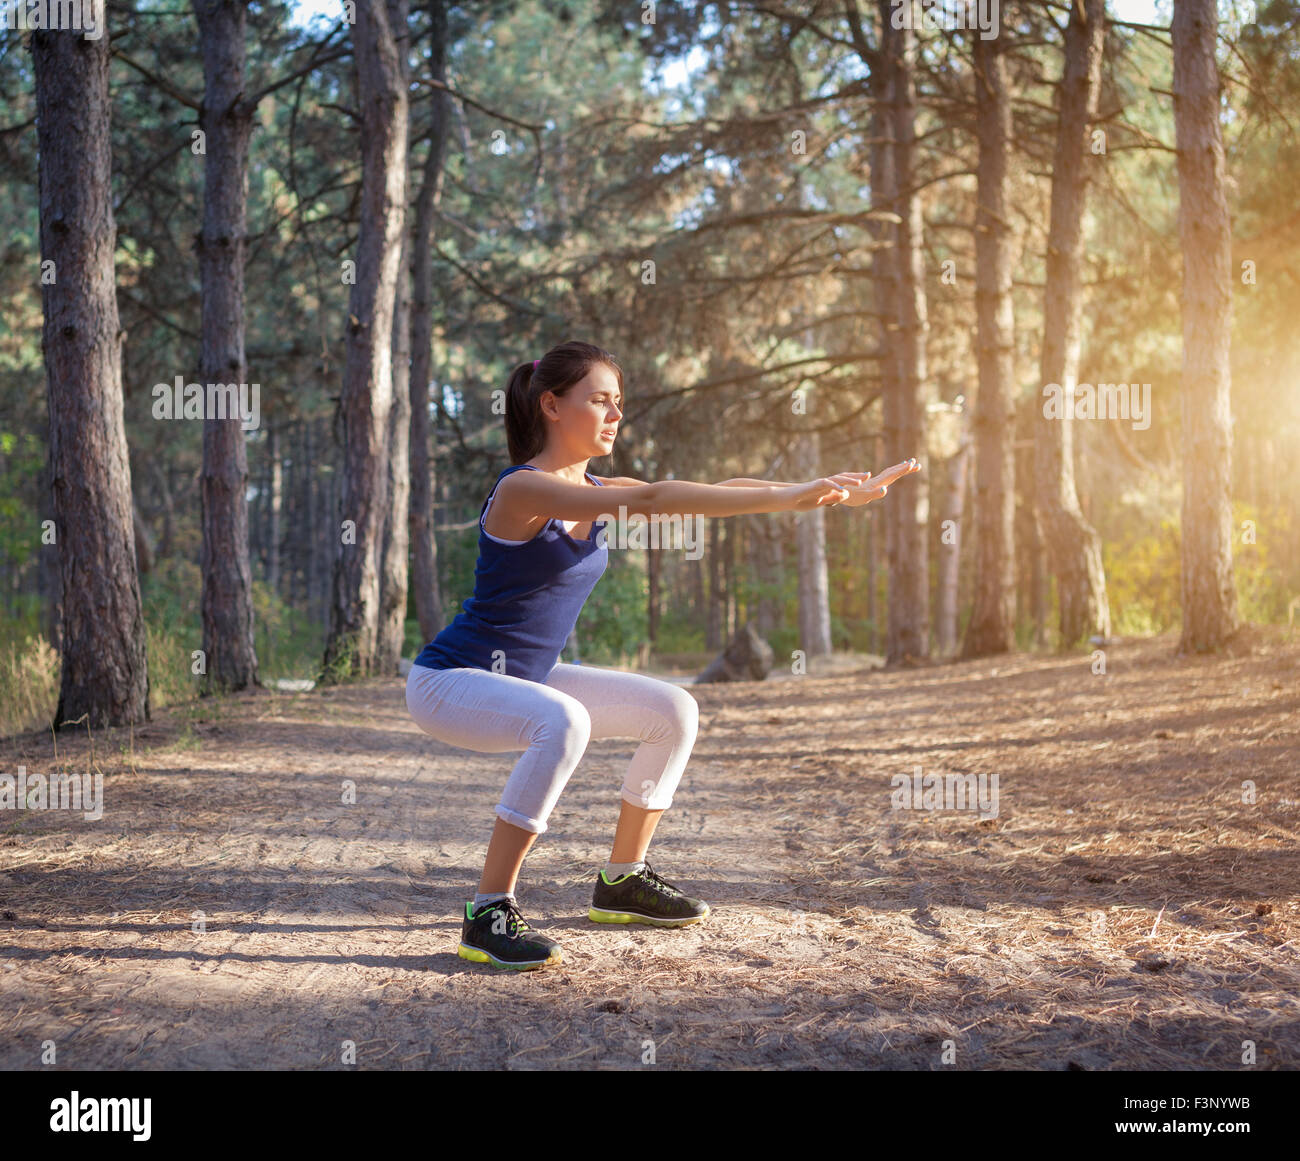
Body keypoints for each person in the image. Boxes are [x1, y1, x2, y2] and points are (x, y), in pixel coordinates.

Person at [405, 339, 920, 970]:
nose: (616, 415)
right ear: (552, 405)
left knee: (672, 710)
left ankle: (622, 879)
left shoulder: (593, 489)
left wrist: (811, 491)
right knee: (564, 721)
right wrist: (795, 495)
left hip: (529, 674)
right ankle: (489, 911)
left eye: (619, 403)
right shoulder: (523, 490)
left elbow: (705, 489)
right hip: (449, 681)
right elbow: (653, 501)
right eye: (600, 400)